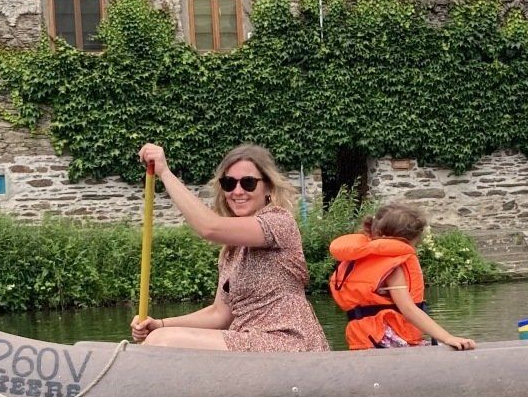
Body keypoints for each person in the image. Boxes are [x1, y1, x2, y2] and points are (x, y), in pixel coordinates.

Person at [132, 142, 328, 352]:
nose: (237, 191)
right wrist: (160, 324)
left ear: (268, 187)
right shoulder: (231, 250)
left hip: (289, 344)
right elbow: (219, 314)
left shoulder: (279, 222)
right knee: (158, 336)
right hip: (247, 342)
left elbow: (209, 227)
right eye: (229, 183)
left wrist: (164, 172)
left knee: (164, 341)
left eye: (248, 183)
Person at [327, 204, 475, 350]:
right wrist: (448, 337)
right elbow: (408, 309)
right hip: (385, 337)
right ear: (408, 240)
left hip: (363, 337)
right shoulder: (393, 268)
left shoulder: (361, 258)